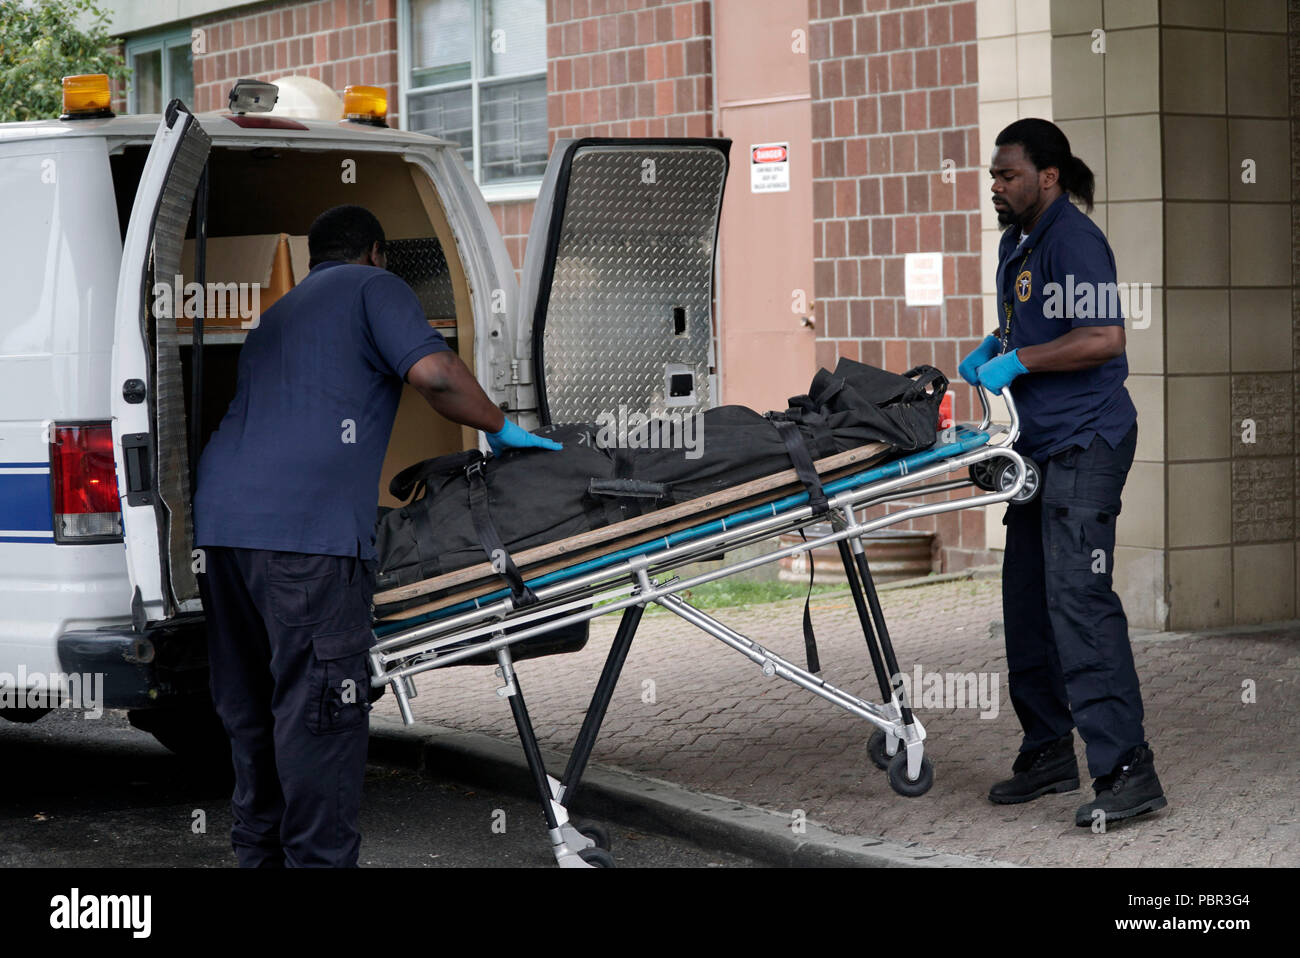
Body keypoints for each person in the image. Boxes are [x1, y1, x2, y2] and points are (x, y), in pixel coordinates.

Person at [192, 205, 560, 866]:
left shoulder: (278, 313)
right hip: (306, 541)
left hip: (222, 531)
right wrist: (500, 426)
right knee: (320, 721)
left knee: (253, 717)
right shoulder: (375, 287)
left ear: (312, 261)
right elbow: (436, 375)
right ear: (376, 253)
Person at [958, 119, 1166, 828]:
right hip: (1039, 447)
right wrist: (997, 344)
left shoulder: (1073, 238)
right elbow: (1034, 320)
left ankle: (1128, 769)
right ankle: (1048, 749)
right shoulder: (1019, 240)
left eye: (1007, 174)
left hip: (1087, 440)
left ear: (1047, 176)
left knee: (1078, 598)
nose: (996, 185)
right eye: (992, 174)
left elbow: (1104, 336)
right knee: (1026, 598)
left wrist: (1020, 363)